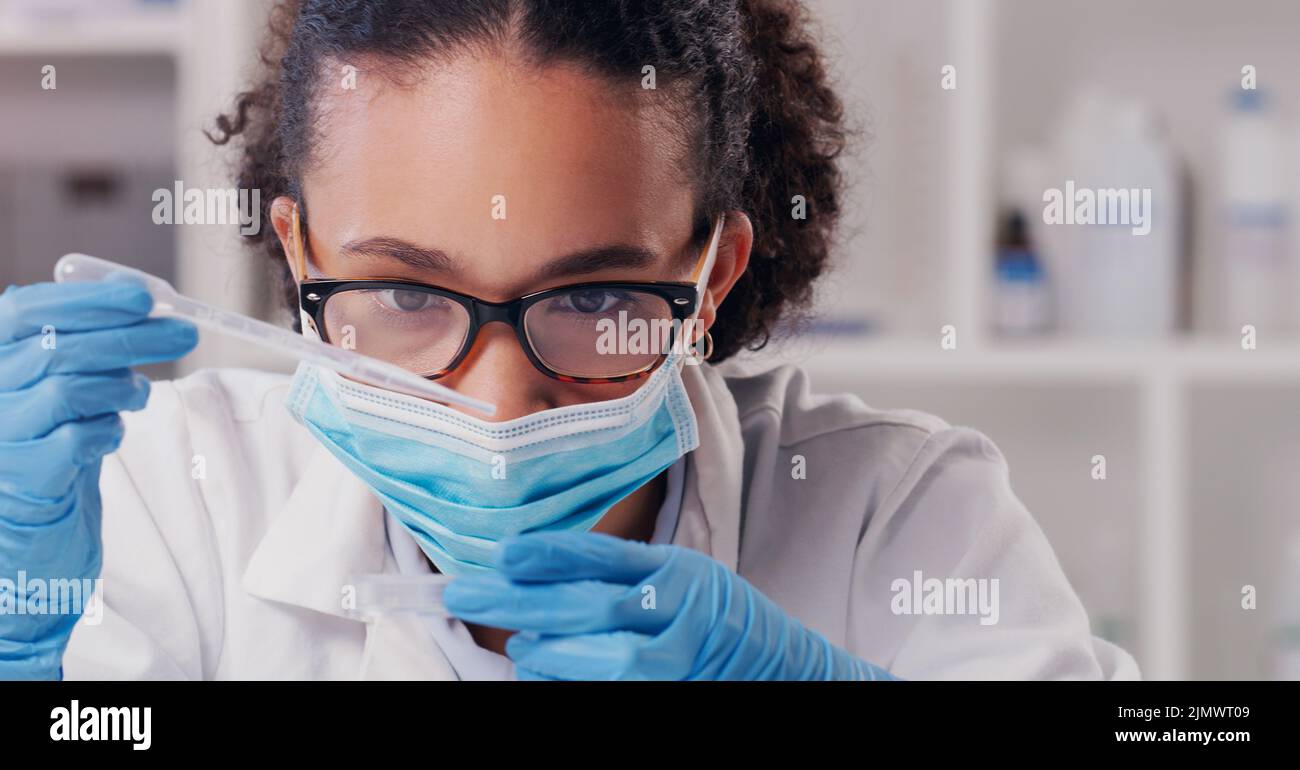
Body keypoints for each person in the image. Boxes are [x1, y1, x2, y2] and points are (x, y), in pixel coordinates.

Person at [0, 0, 1138, 681]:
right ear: (299, 257)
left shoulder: (891, 510)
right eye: (406, 293)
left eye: (594, 300)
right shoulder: (173, 497)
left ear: (711, 272)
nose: (498, 409)